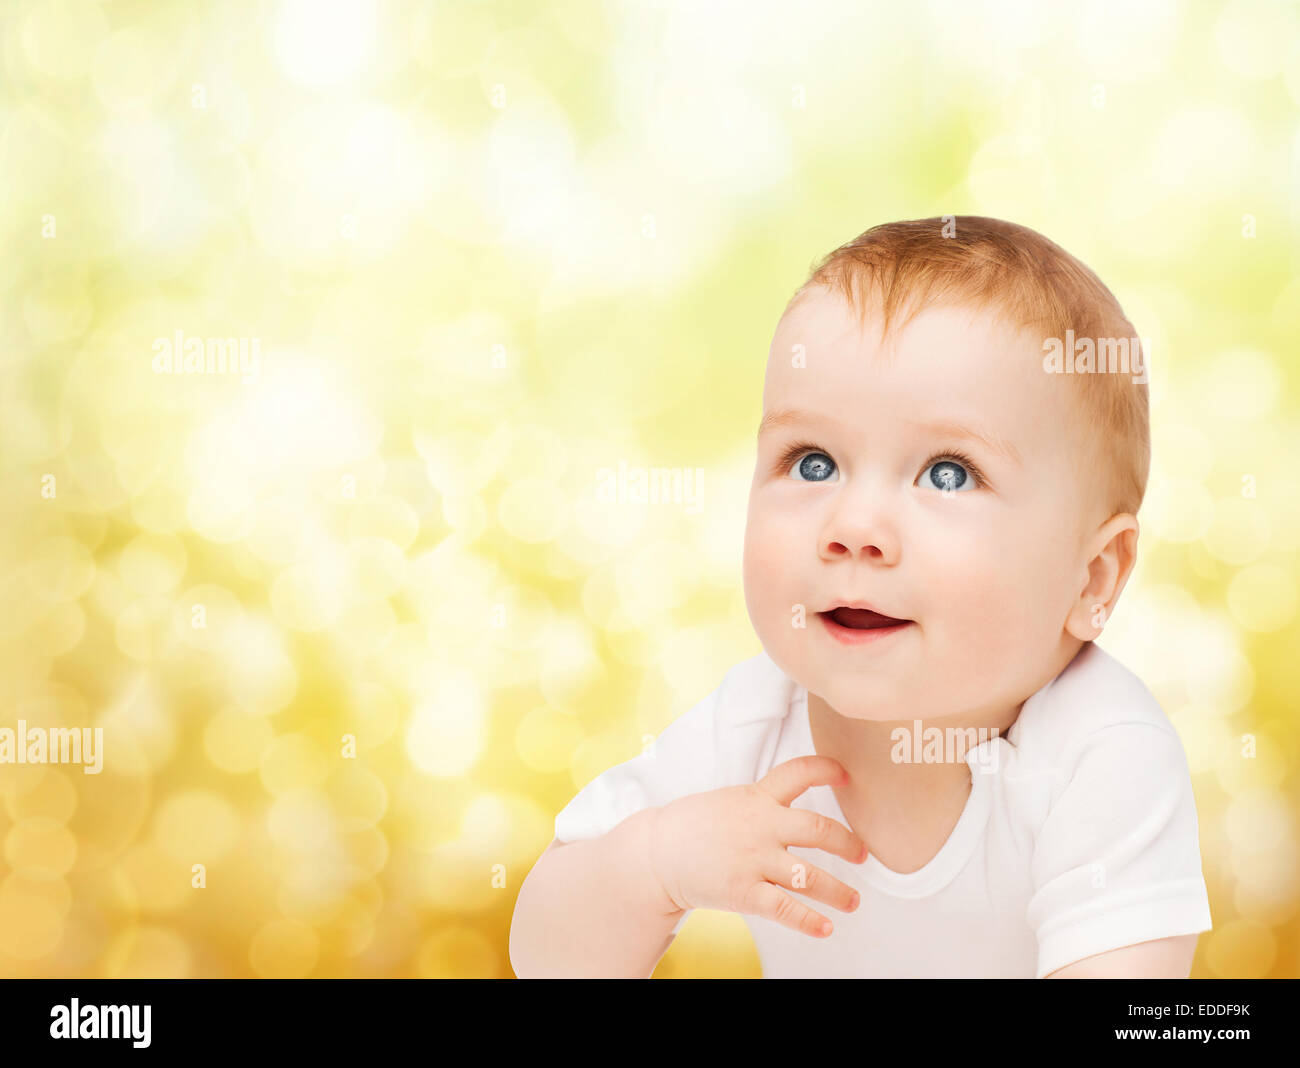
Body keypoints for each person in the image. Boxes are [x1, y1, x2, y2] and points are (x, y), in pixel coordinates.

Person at [509, 215, 1211, 978]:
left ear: (1093, 577)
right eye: (812, 463)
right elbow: (546, 959)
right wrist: (655, 864)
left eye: (948, 473)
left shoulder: (1102, 756)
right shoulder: (752, 724)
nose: (853, 528)